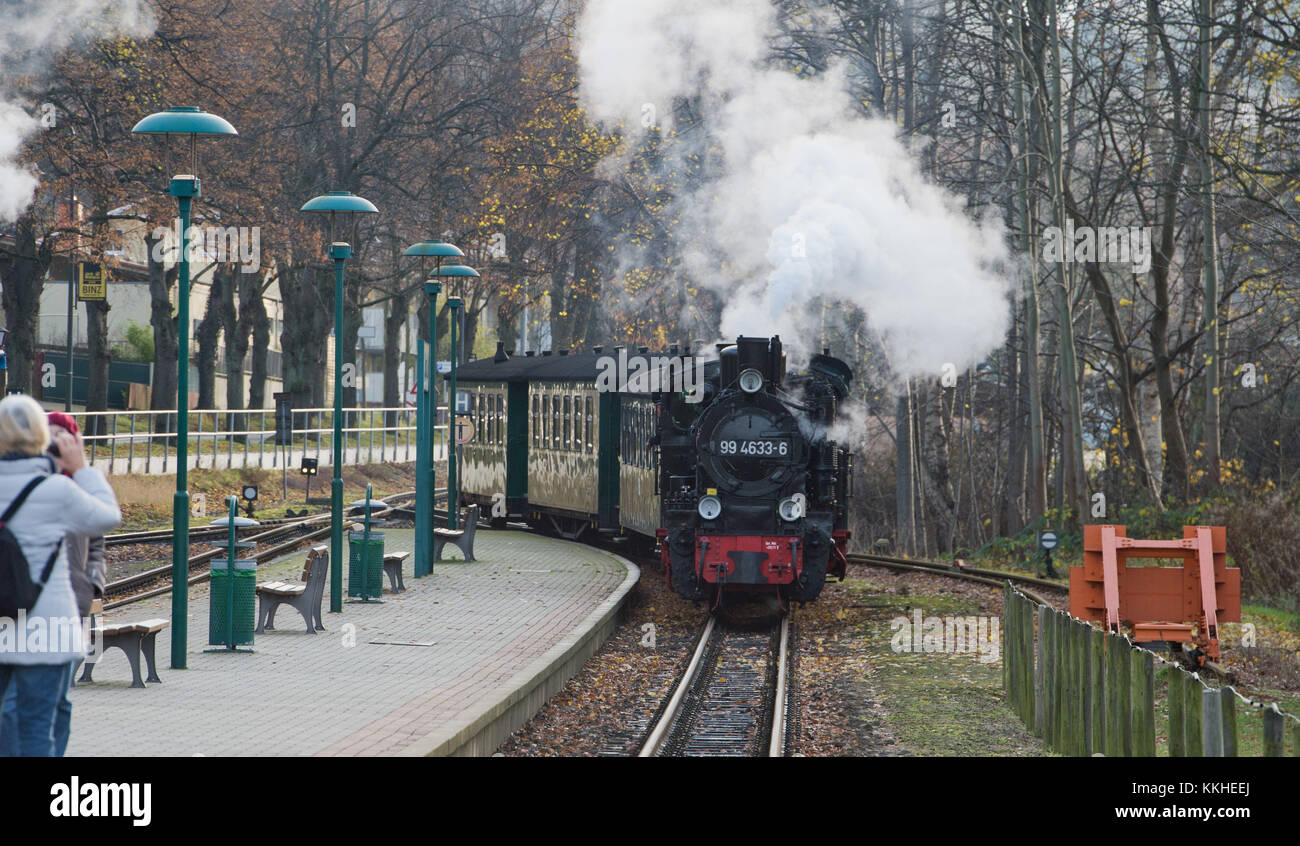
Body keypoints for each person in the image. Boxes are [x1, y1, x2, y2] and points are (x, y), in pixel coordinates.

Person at [0, 395, 121, 756]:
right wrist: (81, 466)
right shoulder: (58, 491)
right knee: (38, 726)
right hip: (47, 628)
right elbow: (108, 517)